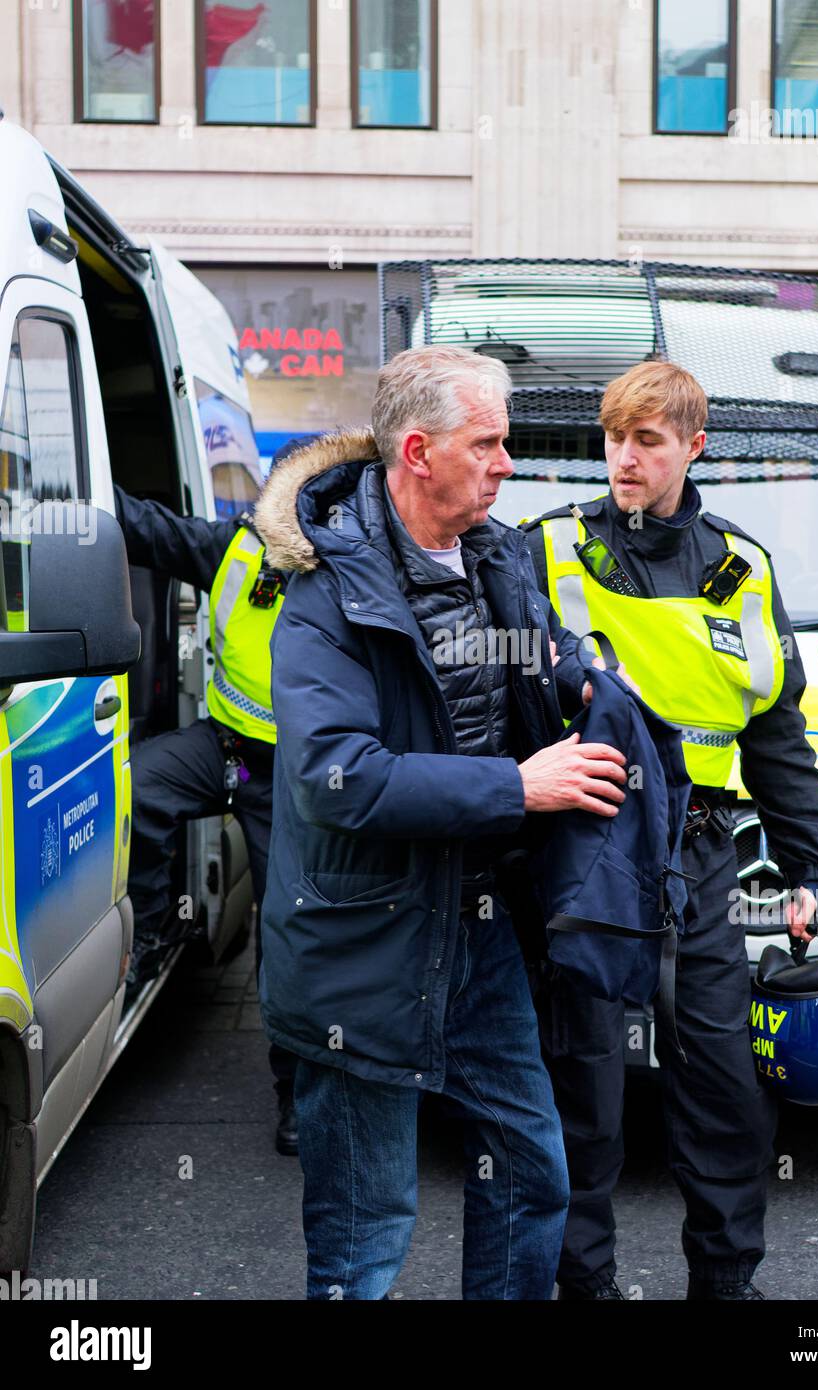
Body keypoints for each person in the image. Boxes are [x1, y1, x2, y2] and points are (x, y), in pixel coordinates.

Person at [255, 345, 633, 1301]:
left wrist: (570, 675)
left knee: (530, 1173)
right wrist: (520, 787)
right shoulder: (325, 595)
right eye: (489, 443)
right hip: (360, 941)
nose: (508, 463)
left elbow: (518, 657)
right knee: (365, 1224)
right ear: (418, 452)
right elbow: (337, 780)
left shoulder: (494, 556)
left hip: (476, 928)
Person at [522, 360, 818, 1301]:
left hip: (699, 852)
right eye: (614, 438)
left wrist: (809, 869)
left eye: (647, 441)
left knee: (723, 1087)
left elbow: (777, 740)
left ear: (693, 448)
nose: (624, 458)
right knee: (584, 1085)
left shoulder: (744, 571)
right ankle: (583, 1285)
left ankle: (724, 1280)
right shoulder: (542, 549)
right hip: (587, 843)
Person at [113, 483, 299, 1156]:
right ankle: (155, 931)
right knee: (138, 787)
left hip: (298, 779)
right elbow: (145, 527)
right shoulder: (234, 548)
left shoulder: (349, 567)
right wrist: (64, 484)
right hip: (229, 752)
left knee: (285, 933)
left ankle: (296, 1094)